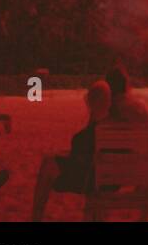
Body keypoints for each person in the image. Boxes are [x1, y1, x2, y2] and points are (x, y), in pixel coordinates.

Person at [31, 79, 111, 221]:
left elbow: (79, 155)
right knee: (53, 161)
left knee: (48, 165)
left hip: (90, 180)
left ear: (91, 102)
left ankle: (36, 216)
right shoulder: (116, 126)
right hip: (111, 182)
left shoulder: (91, 133)